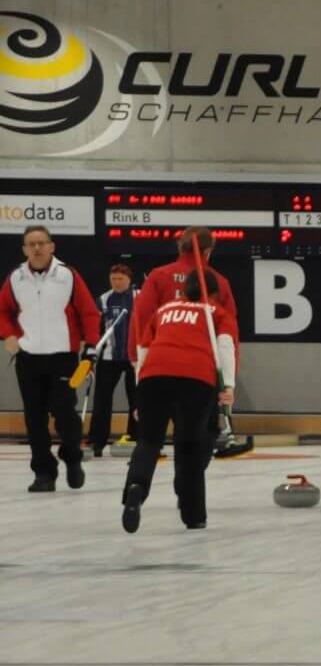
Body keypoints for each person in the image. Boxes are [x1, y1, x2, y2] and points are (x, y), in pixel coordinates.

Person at [121, 260, 235, 533]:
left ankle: (136, 487)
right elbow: (225, 346)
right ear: (214, 292)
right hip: (196, 377)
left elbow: (143, 350)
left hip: (153, 376)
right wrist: (228, 387)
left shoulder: (164, 310)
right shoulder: (216, 312)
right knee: (190, 445)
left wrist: (139, 395)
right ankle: (193, 514)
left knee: (148, 441)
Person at [1, 224, 100, 492]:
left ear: (51, 246)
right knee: (34, 418)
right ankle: (44, 472)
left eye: (41, 242)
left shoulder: (68, 276)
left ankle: (72, 457)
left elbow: (89, 313)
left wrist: (90, 348)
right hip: (28, 358)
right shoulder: (15, 278)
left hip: (63, 357)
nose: (37, 248)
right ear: (24, 249)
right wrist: (8, 335)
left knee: (65, 413)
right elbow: (2, 312)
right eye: (31, 243)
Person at [137, 228, 249, 458]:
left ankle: (145, 462)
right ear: (208, 251)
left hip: (155, 366)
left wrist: (138, 369)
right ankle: (191, 474)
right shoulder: (219, 282)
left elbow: (140, 324)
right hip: (201, 372)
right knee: (192, 437)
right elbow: (229, 336)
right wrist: (228, 381)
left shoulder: (158, 275)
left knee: (151, 436)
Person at [87, 263, 139, 457]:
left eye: (120, 279)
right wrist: (92, 351)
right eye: (113, 279)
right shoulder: (103, 299)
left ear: (129, 279)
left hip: (135, 358)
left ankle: (135, 438)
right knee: (102, 400)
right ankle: (97, 441)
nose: (116, 283)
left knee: (136, 399)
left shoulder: (140, 296)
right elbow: (95, 326)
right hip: (110, 357)